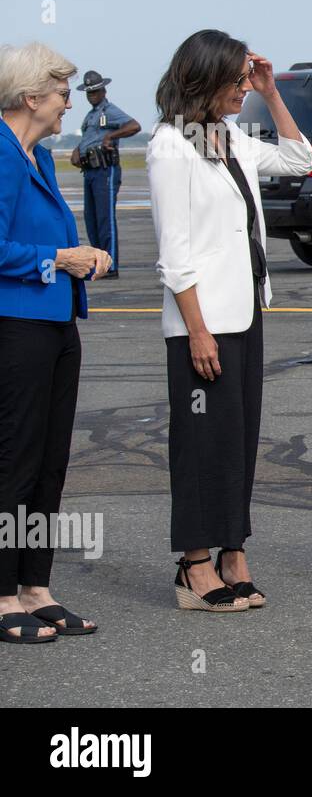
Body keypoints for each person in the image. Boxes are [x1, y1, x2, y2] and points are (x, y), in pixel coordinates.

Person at [147, 29, 312, 611]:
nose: (244, 86)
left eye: (248, 78)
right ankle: (193, 564)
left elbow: (300, 159)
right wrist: (196, 329)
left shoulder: (231, 136)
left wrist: (272, 94)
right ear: (206, 76)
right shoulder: (172, 145)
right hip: (203, 320)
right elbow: (174, 251)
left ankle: (233, 551)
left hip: (243, 312)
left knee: (238, 440)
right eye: (240, 79)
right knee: (199, 442)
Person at [0, 42, 111, 644]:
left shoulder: (37, 156)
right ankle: (0, 592)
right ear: (30, 97)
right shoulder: (0, 154)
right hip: (14, 325)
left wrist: (80, 258)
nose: (71, 100)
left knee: (49, 462)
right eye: (63, 91)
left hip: (55, 324)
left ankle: (33, 586)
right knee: (13, 461)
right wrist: (60, 259)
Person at [70, 70, 139, 279]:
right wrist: (78, 150)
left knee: (105, 219)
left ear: (103, 90)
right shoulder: (90, 115)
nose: (92, 95)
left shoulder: (109, 111)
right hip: (90, 171)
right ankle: (99, 263)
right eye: (89, 92)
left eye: (95, 91)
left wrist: (111, 135)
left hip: (105, 170)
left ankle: (111, 265)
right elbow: (89, 138)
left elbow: (134, 125)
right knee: (91, 218)